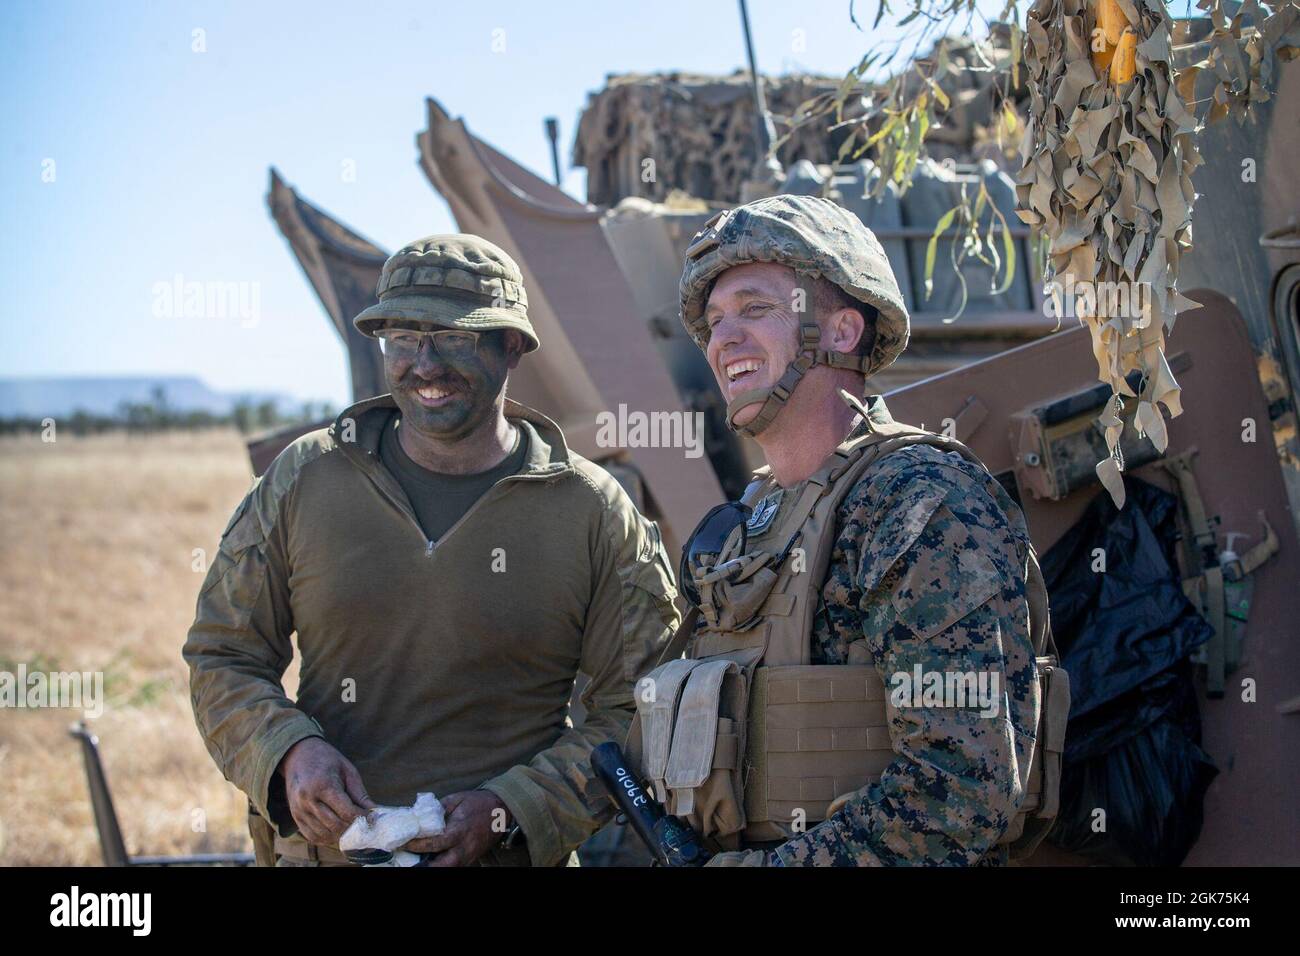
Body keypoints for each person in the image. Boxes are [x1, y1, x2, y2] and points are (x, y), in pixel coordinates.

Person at [185, 235, 679, 866]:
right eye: (404, 339)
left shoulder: (592, 510)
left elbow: (640, 709)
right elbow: (223, 654)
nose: (425, 364)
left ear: (511, 347)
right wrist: (286, 751)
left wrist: (511, 809)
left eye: (455, 338)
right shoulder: (307, 478)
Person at [632, 195, 1061, 866]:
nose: (723, 340)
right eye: (714, 322)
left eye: (755, 310)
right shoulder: (755, 519)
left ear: (840, 332)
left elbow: (958, 795)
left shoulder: (917, 500)